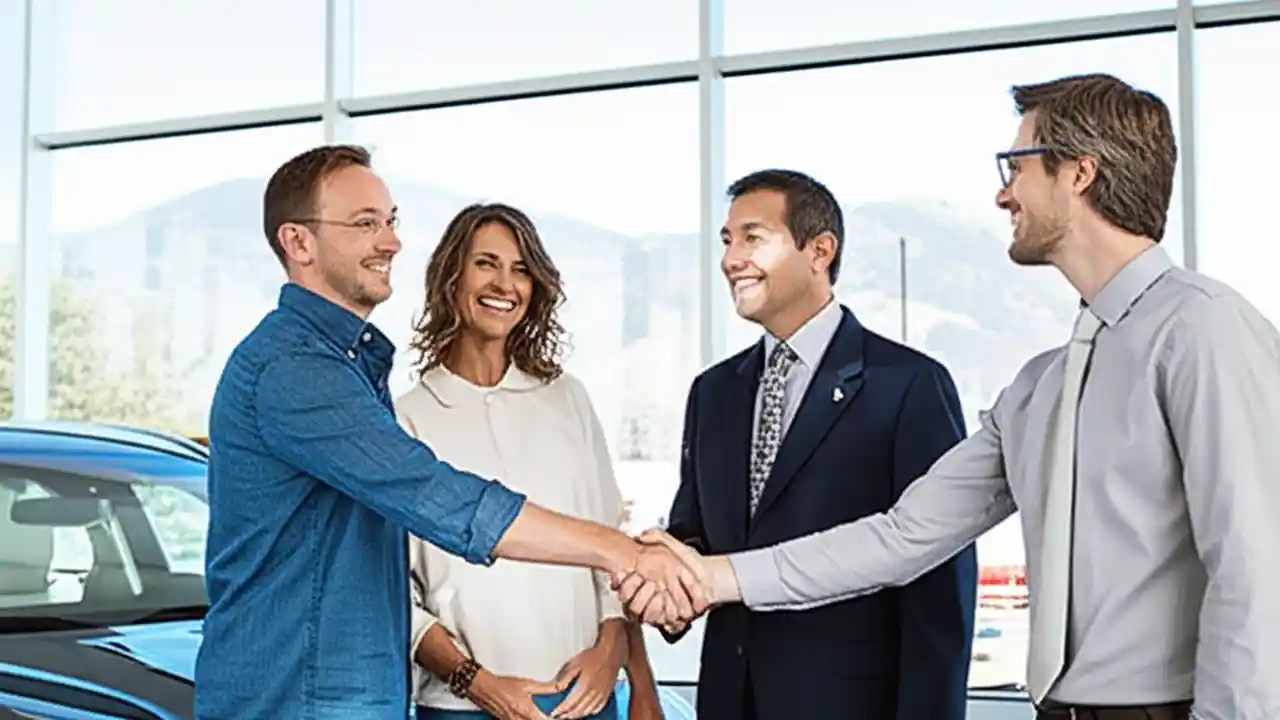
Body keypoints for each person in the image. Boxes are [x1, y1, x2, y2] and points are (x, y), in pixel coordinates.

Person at [625, 73, 1280, 720]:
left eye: (1016, 164)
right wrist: (714, 578)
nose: (1002, 195)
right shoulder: (1041, 387)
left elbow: (1258, 571)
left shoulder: (1202, 330)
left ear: (1079, 174)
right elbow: (901, 536)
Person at [194, 145, 690, 720]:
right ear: (298, 243)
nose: (391, 241)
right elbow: (438, 497)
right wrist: (624, 552)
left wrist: (625, 648)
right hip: (297, 701)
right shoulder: (296, 370)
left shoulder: (353, 369)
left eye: (390, 221)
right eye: (364, 224)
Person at [652, 169, 977, 720]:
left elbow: (940, 590)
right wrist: (670, 585)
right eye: (727, 242)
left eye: (753, 238)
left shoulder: (909, 386)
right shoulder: (712, 393)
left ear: (819, 250)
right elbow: (697, 535)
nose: (731, 259)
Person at [395, 203, 664, 720]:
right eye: (486, 264)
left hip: (585, 701)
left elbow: (609, 543)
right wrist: (476, 684)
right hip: (463, 708)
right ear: (450, 277)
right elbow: (393, 592)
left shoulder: (567, 399)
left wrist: (621, 661)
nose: (505, 283)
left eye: (521, 269)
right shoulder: (408, 419)